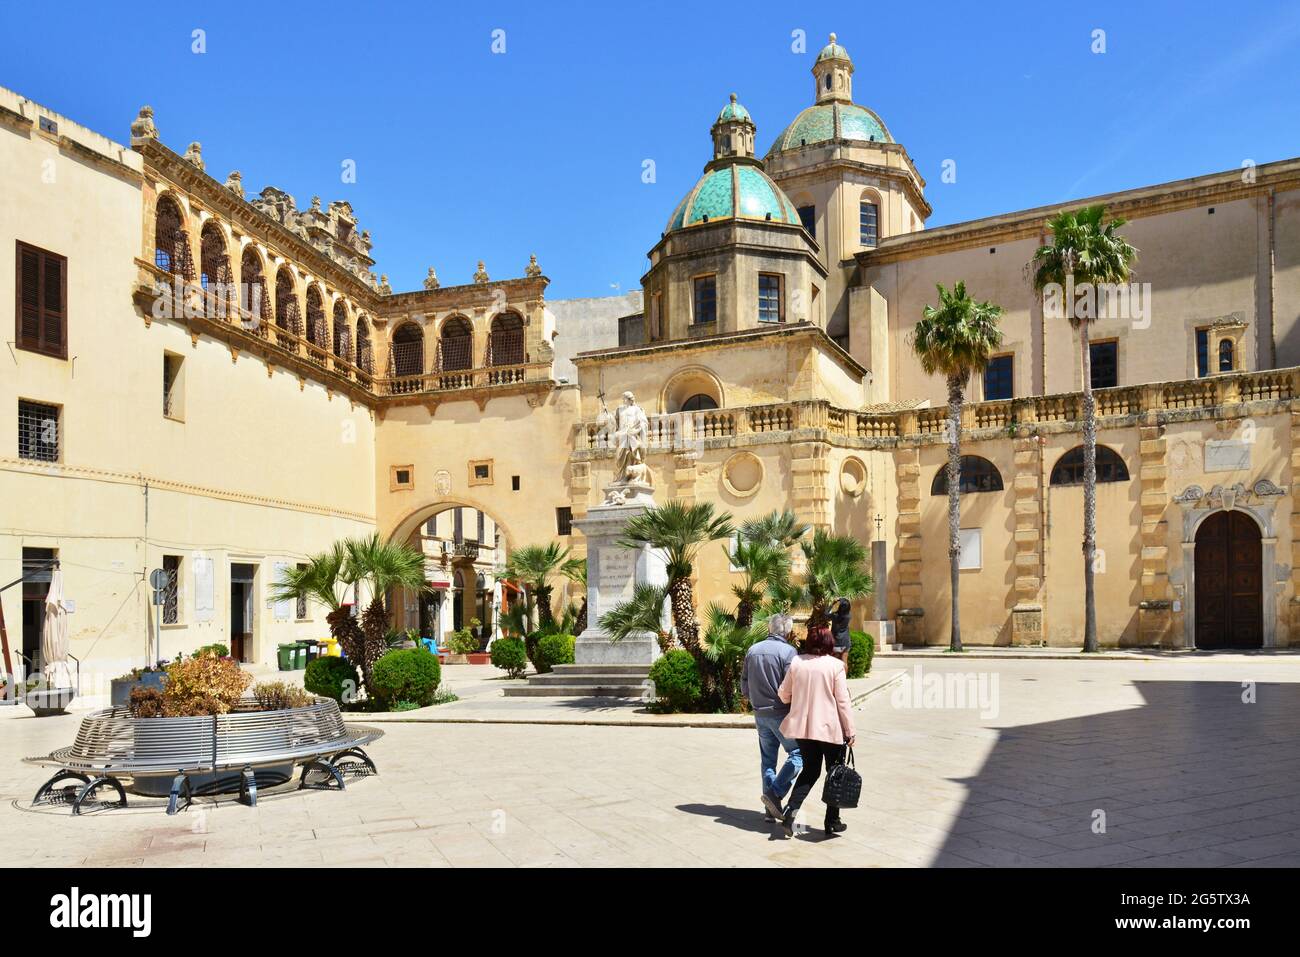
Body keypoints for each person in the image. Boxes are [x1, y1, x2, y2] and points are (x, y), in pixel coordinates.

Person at [777, 623, 857, 837]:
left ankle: (790, 812)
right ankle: (832, 821)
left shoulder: (797, 662)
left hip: (803, 729)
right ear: (829, 642)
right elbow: (843, 701)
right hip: (830, 730)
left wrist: (797, 699)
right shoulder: (835, 665)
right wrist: (850, 731)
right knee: (835, 774)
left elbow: (784, 693)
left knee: (810, 771)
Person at [742, 613, 802, 822]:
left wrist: (754, 700)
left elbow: (744, 682)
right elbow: (793, 685)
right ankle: (774, 793)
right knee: (798, 754)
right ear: (788, 631)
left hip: (760, 713)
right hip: (781, 712)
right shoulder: (789, 652)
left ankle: (770, 810)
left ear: (770, 629)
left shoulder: (753, 650)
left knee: (768, 761)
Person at [829, 597, 852, 668]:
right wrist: (843, 600)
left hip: (835, 642)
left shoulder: (834, 615)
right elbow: (847, 605)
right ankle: (843, 678)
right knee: (844, 662)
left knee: (834, 663)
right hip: (845, 642)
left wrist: (832, 604)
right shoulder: (848, 616)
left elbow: (825, 613)